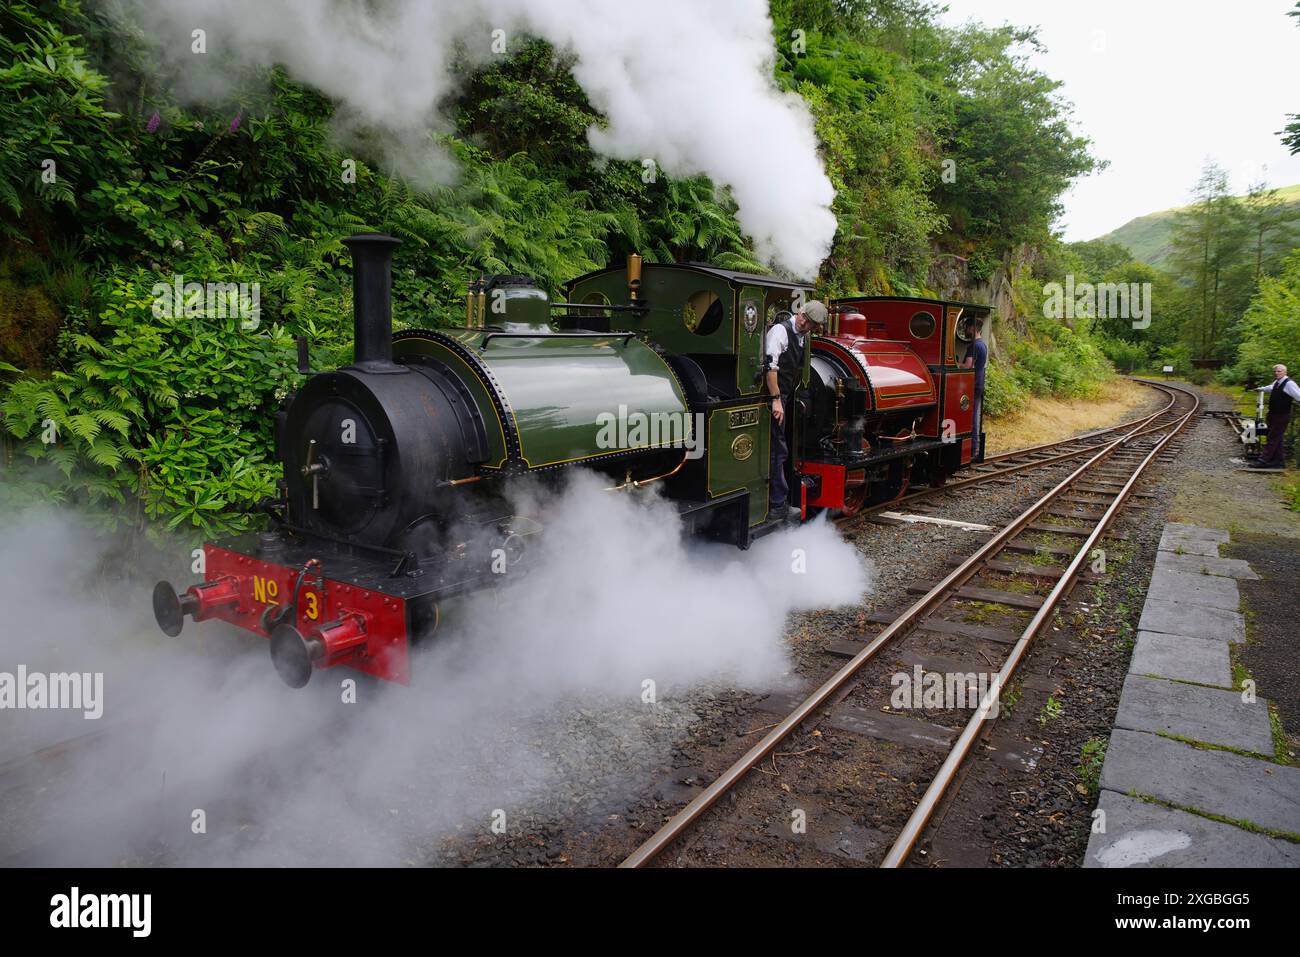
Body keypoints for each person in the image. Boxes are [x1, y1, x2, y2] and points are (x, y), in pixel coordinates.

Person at [765, 300, 827, 518]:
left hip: (787, 395)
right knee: (777, 447)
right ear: (799, 313)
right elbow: (770, 368)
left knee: (782, 445)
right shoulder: (780, 332)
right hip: (773, 396)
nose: (805, 324)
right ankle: (776, 503)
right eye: (804, 318)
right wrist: (776, 399)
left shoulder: (803, 337)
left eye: (810, 324)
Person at [1249, 363, 1300, 469]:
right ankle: (1279, 461)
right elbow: (1271, 388)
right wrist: (1260, 389)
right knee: (1278, 438)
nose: (1277, 373)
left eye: (1279, 371)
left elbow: (1299, 396)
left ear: (1285, 372)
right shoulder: (1277, 382)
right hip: (1274, 414)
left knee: (1273, 437)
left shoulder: (1289, 384)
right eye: (1275, 371)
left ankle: (1263, 460)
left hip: (1282, 415)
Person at [960, 316, 988, 459]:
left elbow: (968, 366)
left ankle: (971, 449)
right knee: (974, 416)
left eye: (967, 327)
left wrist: (957, 364)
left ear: (973, 328)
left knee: (970, 416)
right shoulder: (982, 344)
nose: (965, 330)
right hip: (979, 382)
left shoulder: (973, 346)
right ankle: (974, 449)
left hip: (972, 384)